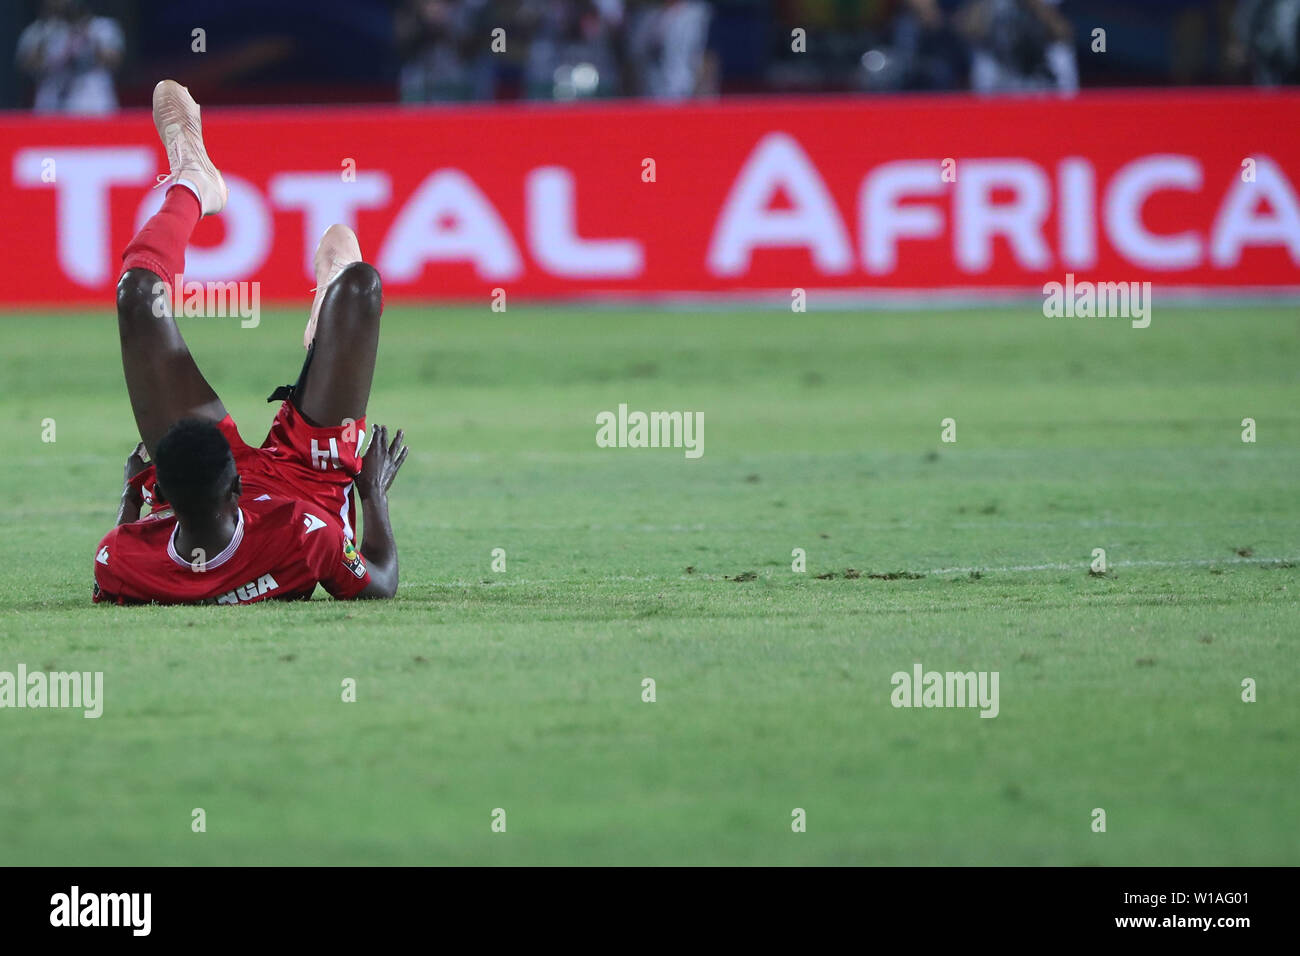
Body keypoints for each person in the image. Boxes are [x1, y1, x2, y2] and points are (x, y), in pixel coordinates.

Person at [93, 80, 408, 605]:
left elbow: (118, 552)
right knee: (360, 286)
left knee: (137, 296)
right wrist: (372, 495)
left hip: (204, 482)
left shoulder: (125, 560)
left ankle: (194, 180)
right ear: (236, 487)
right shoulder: (308, 536)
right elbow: (379, 583)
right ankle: (327, 310)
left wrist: (133, 499)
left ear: (159, 491)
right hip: (307, 486)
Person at [15, 0, 123, 115]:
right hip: (51, 108)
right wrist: (48, 39)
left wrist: (86, 35)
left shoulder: (102, 27)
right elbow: (26, 64)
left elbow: (113, 60)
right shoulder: (39, 30)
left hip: (94, 106)